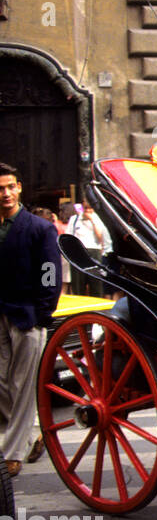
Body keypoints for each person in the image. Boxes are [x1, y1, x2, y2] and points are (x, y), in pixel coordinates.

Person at [0, 163, 61, 477]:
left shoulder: (38, 227)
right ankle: (33, 435)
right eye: (0, 189)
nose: (6, 194)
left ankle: (12, 454)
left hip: (27, 315)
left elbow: (50, 271)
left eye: (11, 187)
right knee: (3, 385)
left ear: (20, 188)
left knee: (23, 386)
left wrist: (42, 313)